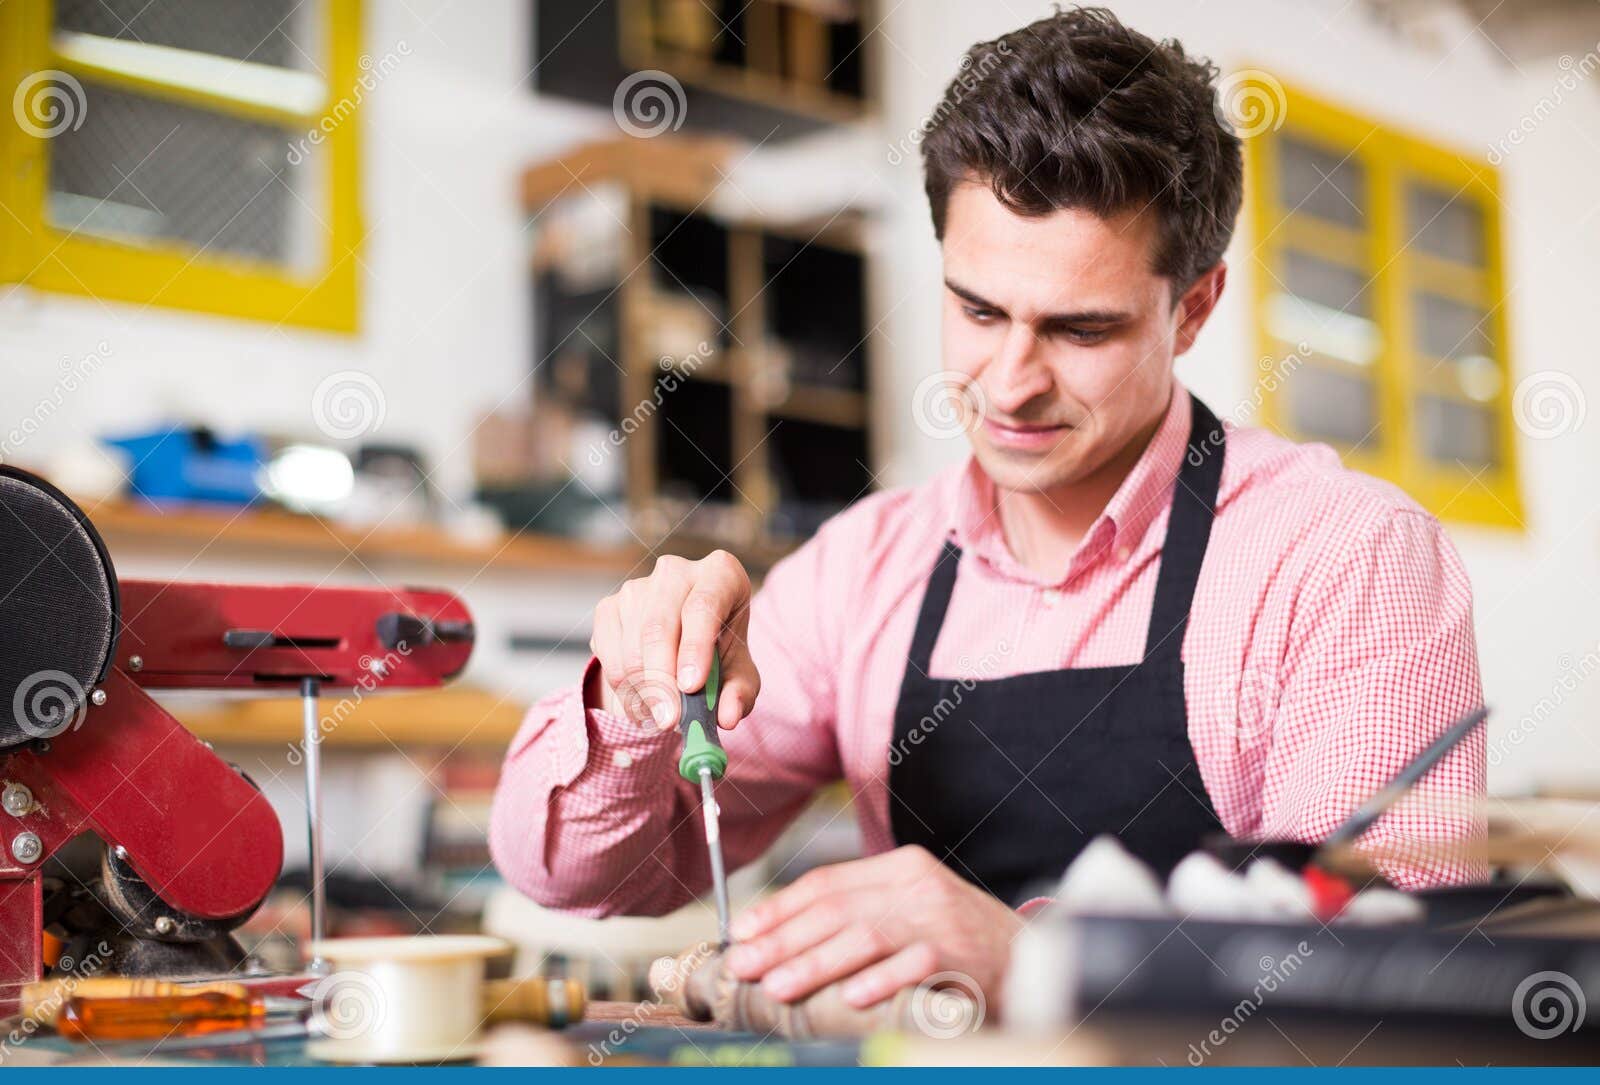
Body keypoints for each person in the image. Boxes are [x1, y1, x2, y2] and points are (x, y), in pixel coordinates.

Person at [490, 6, 1485, 1012]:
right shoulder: (864, 567)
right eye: (977, 310)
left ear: (1192, 306)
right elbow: (574, 879)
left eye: (1078, 328)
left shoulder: (1342, 557)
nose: (1008, 385)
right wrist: (634, 703)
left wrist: (1032, 954)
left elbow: (1382, 973)